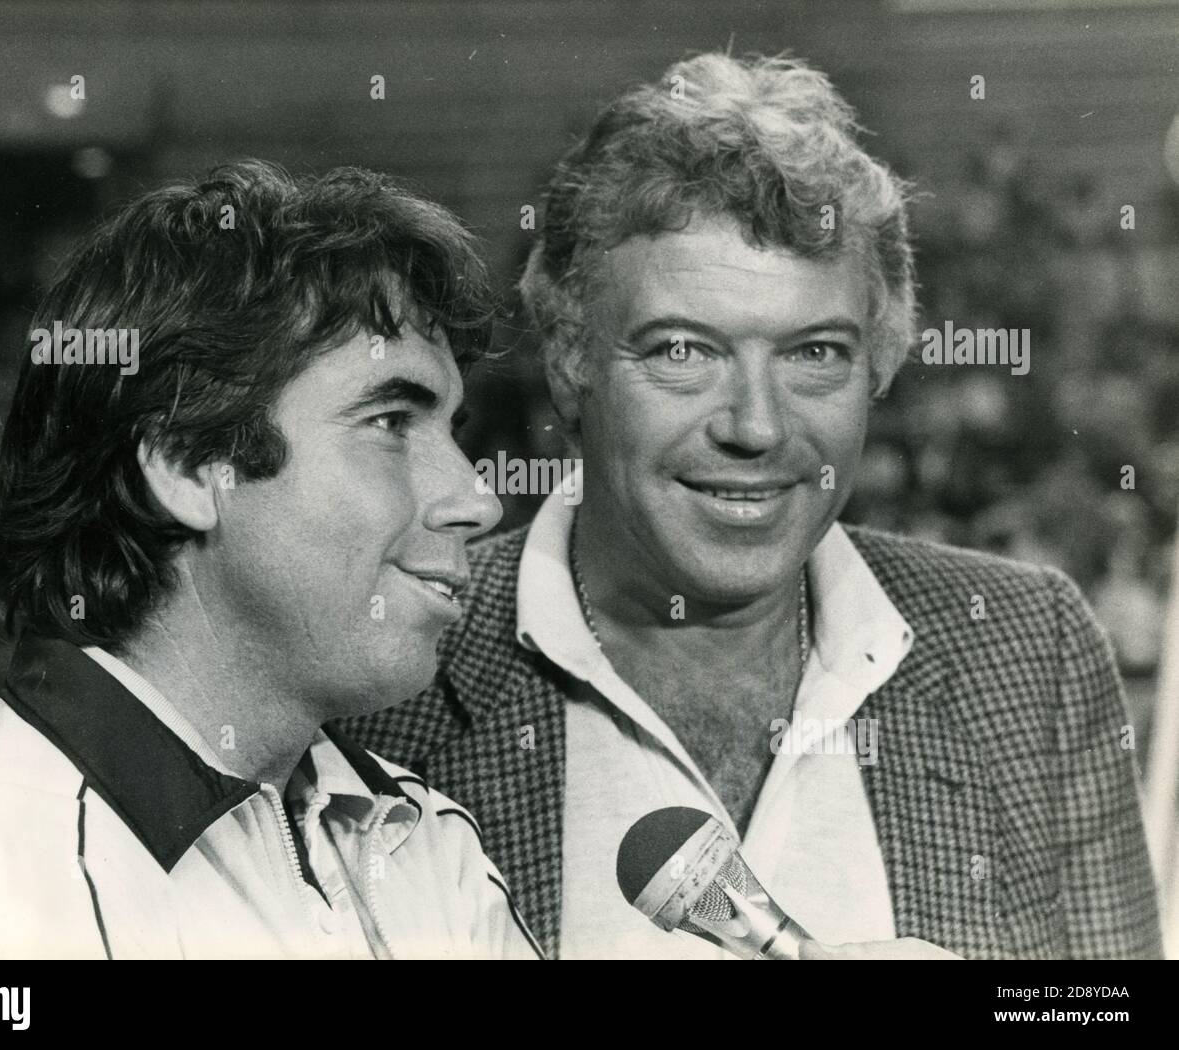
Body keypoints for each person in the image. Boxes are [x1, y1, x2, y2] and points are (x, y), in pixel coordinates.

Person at [342, 54, 1164, 959]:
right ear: (571, 359)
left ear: (880, 367)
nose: (757, 427)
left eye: (815, 354)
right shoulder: (384, 679)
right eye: (684, 351)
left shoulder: (1027, 649)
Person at [0, 160, 540, 960]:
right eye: (391, 423)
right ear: (189, 467)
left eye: (453, 432)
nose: (477, 499)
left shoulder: (424, 840)